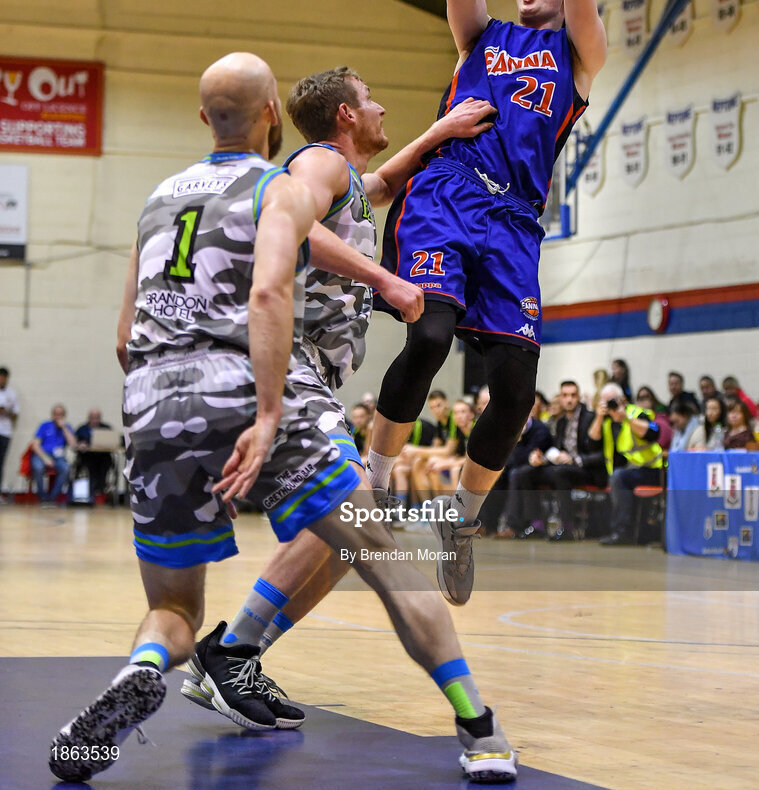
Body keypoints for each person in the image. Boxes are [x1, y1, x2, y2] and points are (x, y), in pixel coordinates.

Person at [48, 53, 517, 785]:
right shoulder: (288, 181)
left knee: (176, 605)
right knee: (385, 552)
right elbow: (273, 282)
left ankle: (155, 670)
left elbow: (122, 337)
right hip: (274, 380)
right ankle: (479, 730)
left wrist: (435, 135)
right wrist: (380, 285)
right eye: (372, 102)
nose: (381, 111)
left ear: (205, 117)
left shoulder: (157, 197)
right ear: (273, 114)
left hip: (156, 395)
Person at [365, 0, 606, 605]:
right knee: (429, 335)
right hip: (446, 195)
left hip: (513, 223)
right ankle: (370, 490)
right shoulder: (481, 37)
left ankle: (459, 522)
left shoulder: (576, 57)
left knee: (514, 388)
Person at [520, 379, 606, 539]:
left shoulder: (590, 418)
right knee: (526, 472)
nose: (569, 399)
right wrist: (543, 458)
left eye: (573, 395)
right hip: (564, 468)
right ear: (560, 398)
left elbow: (601, 454)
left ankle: (568, 528)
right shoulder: (561, 422)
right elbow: (556, 449)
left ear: (578, 397)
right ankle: (537, 525)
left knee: (559, 473)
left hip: (587, 469)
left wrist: (574, 459)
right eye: (565, 395)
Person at [592, 384, 663, 546]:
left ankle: (622, 532)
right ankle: (608, 529)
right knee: (616, 477)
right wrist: (598, 417)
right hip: (627, 473)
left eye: (612, 402)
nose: (610, 407)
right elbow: (591, 443)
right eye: (605, 403)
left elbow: (654, 432)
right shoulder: (606, 422)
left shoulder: (636, 413)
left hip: (652, 470)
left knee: (619, 477)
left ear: (623, 400)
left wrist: (626, 418)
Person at [30, 404, 77, 506]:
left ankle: (52, 498)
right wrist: (45, 458)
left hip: (58, 457)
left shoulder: (67, 427)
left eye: (60, 414)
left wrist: (64, 428)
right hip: (42, 455)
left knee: (66, 468)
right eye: (56, 414)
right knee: (38, 467)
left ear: (64, 415)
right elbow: (35, 445)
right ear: (52, 414)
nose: (58, 417)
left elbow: (73, 444)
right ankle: (42, 497)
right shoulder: (44, 425)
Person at [74, 409, 115, 503]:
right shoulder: (82, 429)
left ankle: (101, 488)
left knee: (105, 464)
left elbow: (113, 441)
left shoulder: (106, 428)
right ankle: (92, 491)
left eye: (97, 418)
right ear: (89, 418)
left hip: (103, 456)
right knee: (91, 468)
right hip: (88, 456)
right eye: (93, 418)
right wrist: (80, 444)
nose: (95, 420)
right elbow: (75, 443)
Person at [0, 366, 19, 503]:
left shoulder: (12, 394)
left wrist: (7, 413)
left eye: (4, 377)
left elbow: (16, 415)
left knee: (1, 463)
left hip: (5, 432)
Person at [635, 386, 673, 451]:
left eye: (645, 397)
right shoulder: (635, 419)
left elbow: (662, 443)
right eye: (640, 398)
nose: (643, 402)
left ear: (652, 399)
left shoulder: (661, 418)